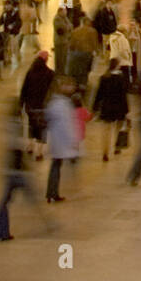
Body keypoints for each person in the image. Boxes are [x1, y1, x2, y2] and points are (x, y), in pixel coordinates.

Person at [0, 101, 48, 243]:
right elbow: (15, 145)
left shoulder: (8, 125)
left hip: (10, 170)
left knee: (5, 202)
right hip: (17, 171)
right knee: (33, 199)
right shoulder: (15, 125)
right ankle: (49, 223)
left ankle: (0, 232)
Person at [44, 75, 79, 203]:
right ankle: (52, 193)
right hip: (61, 140)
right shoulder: (62, 104)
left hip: (56, 139)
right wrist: (73, 140)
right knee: (56, 166)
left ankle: (52, 193)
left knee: (56, 165)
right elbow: (67, 124)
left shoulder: (55, 102)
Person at [92, 58, 130, 162]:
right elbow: (123, 95)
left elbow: (98, 95)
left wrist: (94, 107)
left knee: (106, 131)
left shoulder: (104, 77)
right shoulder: (121, 78)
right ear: (117, 66)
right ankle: (117, 147)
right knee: (118, 128)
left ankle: (105, 152)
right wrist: (127, 110)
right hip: (119, 107)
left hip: (107, 107)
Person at [19, 50, 54, 161]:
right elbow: (53, 91)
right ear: (46, 60)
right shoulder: (50, 74)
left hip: (30, 106)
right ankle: (39, 153)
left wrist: (21, 104)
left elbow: (24, 89)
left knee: (32, 125)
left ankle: (30, 146)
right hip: (43, 106)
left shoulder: (30, 72)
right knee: (42, 129)